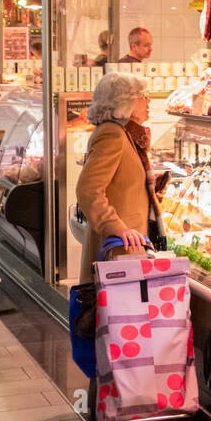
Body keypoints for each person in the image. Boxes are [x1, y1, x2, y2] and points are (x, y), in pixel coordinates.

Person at [76, 74, 164, 291]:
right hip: (120, 247)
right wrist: (116, 228)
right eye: (144, 96)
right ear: (127, 102)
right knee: (117, 315)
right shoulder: (112, 134)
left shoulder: (124, 134)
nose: (148, 102)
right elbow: (88, 189)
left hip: (128, 244)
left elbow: (122, 183)